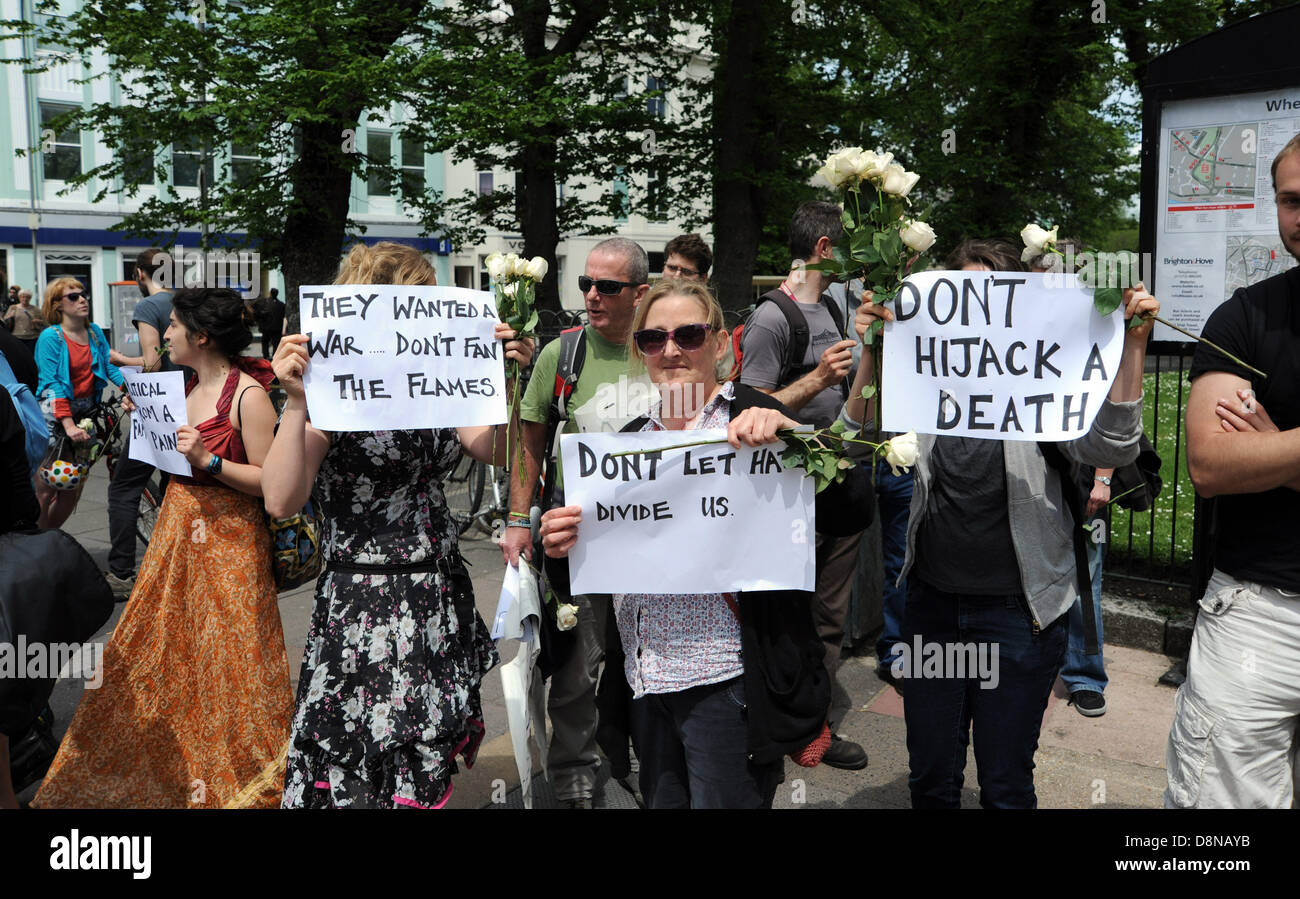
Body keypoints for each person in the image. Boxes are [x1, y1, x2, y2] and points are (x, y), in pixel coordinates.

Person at [841, 237, 1158, 808]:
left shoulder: (1045, 387)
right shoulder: (922, 382)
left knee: (1006, 781)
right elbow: (852, 444)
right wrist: (871, 349)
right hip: (933, 609)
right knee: (931, 776)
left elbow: (1112, 441)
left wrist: (1133, 344)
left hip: (1021, 616)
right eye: (962, 295)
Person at [540, 280, 872, 808]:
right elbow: (581, 564)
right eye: (653, 339)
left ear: (720, 344)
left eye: (688, 335)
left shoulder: (754, 421)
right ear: (640, 351)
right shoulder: (624, 445)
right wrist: (558, 546)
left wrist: (794, 434)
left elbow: (853, 508)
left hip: (728, 682)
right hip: (645, 680)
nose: (671, 350)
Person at [262, 241, 534, 809]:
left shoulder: (435, 372)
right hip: (362, 600)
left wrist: (512, 381)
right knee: (360, 752)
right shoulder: (332, 377)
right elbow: (282, 498)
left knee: (419, 748)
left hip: (433, 590)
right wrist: (295, 401)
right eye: (419, 297)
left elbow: (498, 449)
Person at [33, 287, 293, 808]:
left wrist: (211, 460)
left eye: (173, 326)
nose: (163, 334)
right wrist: (143, 415)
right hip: (178, 533)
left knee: (235, 655)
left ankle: (242, 772)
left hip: (230, 540)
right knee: (167, 648)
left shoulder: (249, 395)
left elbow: (272, 486)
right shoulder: (176, 385)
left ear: (201, 336)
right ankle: (180, 763)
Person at [1166, 133, 1300, 809]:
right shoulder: (1243, 316)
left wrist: (1276, 447)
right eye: (1291, 199)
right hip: (1257, 615)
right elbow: (1212, 464)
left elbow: (1246, 460)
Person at [501, 237, 651, 808]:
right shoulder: (561, 356)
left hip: (655, 541)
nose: (591, 295)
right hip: (577, 542)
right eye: (586, 284)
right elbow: (529, 443)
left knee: (650, 660)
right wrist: (518, 519)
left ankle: (650, 764)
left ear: (639, 293)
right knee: (575, 672)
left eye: (607, 287)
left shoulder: (669, 348)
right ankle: (574, 780)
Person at [737, 200, 867, 769]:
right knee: (784, 610)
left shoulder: (839, 308)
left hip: (840, 483)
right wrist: (817, 380)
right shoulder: (773, 317)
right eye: (852, 247)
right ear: (824, 250)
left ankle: (818, 724)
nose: (859, 259)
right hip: (786, 493)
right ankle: (776, 718)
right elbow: (748, 409)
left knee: (830, 614)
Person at [104, 248, 181, 599]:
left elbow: (152, 364)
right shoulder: (183, 303)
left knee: (124, 489)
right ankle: (175, 562)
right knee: (173, 486)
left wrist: (124, 362)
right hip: (188, 403)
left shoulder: (148, 307)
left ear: (139, 274)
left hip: (156, 410)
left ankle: (122, 572)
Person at [33, 278, 125, 529]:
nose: (82, 299)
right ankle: (40, 547)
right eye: (73, 297)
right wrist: (68, 424)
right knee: (46, 486)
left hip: (86, 414)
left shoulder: (94, 332)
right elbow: (52, 384)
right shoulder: (51, 338)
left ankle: (50, 538)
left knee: (72, 486)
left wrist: (130, 390)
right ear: (57, 305)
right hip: (55, 415)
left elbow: (108, 367)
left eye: (83, 294)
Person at [258, 287, 284, 360]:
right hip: (277, 328)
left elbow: (260, 314)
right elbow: (283, 316)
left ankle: (266, 356)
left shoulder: (265, 303)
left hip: (266, 327)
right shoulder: (281, 304)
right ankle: (274, 356)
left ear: (270, 293)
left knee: (265, 341)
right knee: (276, 343)